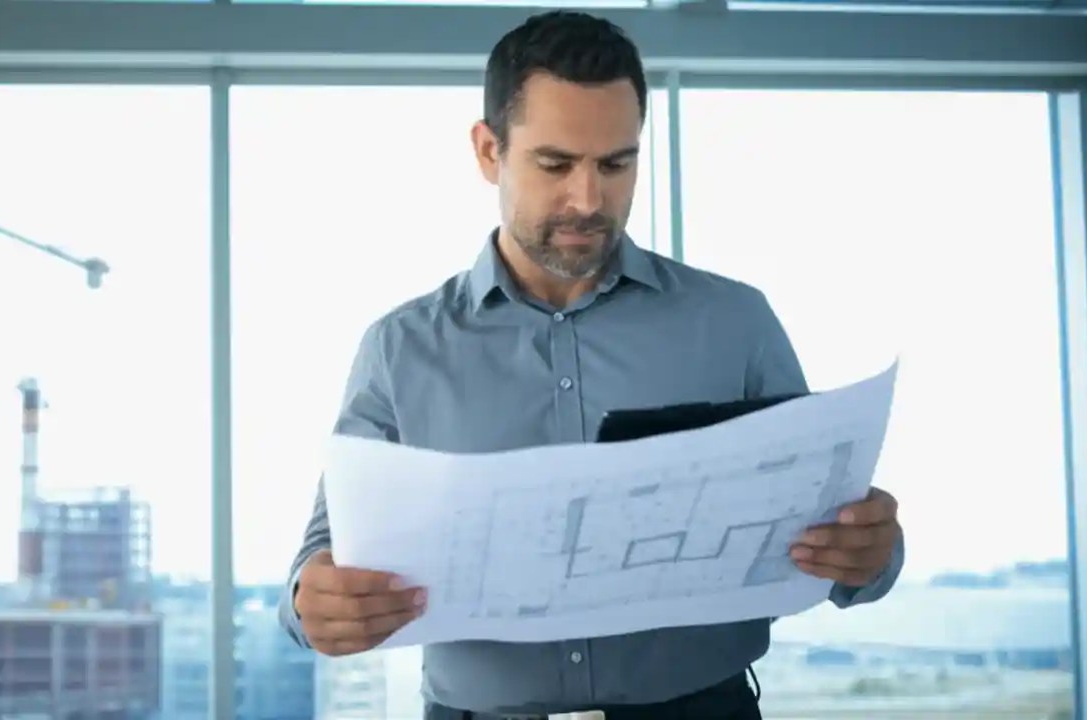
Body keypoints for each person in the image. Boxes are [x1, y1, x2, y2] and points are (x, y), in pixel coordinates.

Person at [278, 10, 904, 720]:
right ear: (488, 152)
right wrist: (312, 601)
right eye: (555, 164)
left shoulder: (736, 324)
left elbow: (835, 528)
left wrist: (871, 552)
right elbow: (321, 558)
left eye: (615, 164)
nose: (588, 199)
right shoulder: (400, 348)